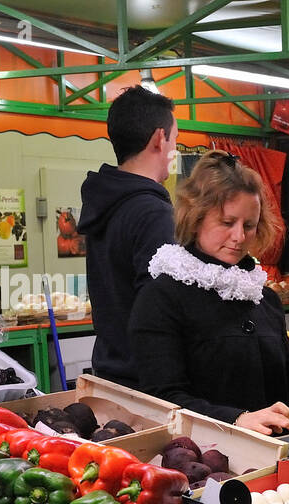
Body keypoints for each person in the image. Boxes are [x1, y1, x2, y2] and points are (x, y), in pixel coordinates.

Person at [129, 152, 289, 434]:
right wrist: (236, 419)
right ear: (196, 217)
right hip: (206, 466)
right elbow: (164, 401)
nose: (239, 236)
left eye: (248, 225)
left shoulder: (264, 300)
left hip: (277, 459)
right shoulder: (161, 299)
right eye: (227, 222)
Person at [78, 84, 178, 388]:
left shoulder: (105, 202)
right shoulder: (153, 212)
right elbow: (161, 310)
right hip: (148, 383)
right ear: (160, 139)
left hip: (110, 371)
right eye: (175, 139)